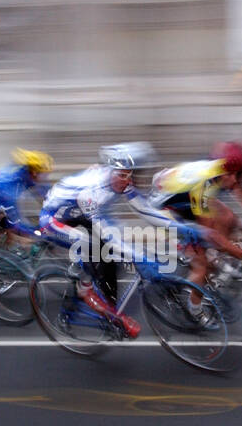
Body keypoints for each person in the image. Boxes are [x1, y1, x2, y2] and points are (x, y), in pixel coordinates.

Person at [37, 142, 220, 338]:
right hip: (55, 217)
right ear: (111, 171)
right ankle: (84, 286)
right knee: (92, 246)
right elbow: (109, 236)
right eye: (124, 175)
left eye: (131, 175)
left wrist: (183, 229)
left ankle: (109, 311)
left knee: (112, 257)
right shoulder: (92, 193)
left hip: (82, 211)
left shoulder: (120, 179)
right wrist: (139, 256)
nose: (128, 181)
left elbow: (144, 210)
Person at [148, 141, 242, 313]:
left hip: (182, 194)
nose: (234, 180)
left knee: (229, 218)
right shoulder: (205, 186)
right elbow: (216, 239)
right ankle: (194, 310)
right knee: (203, 263)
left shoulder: (222, 171)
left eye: (237, 175)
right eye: (232, 175)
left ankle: (218, 264)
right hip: (164, 208)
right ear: (223, 170)